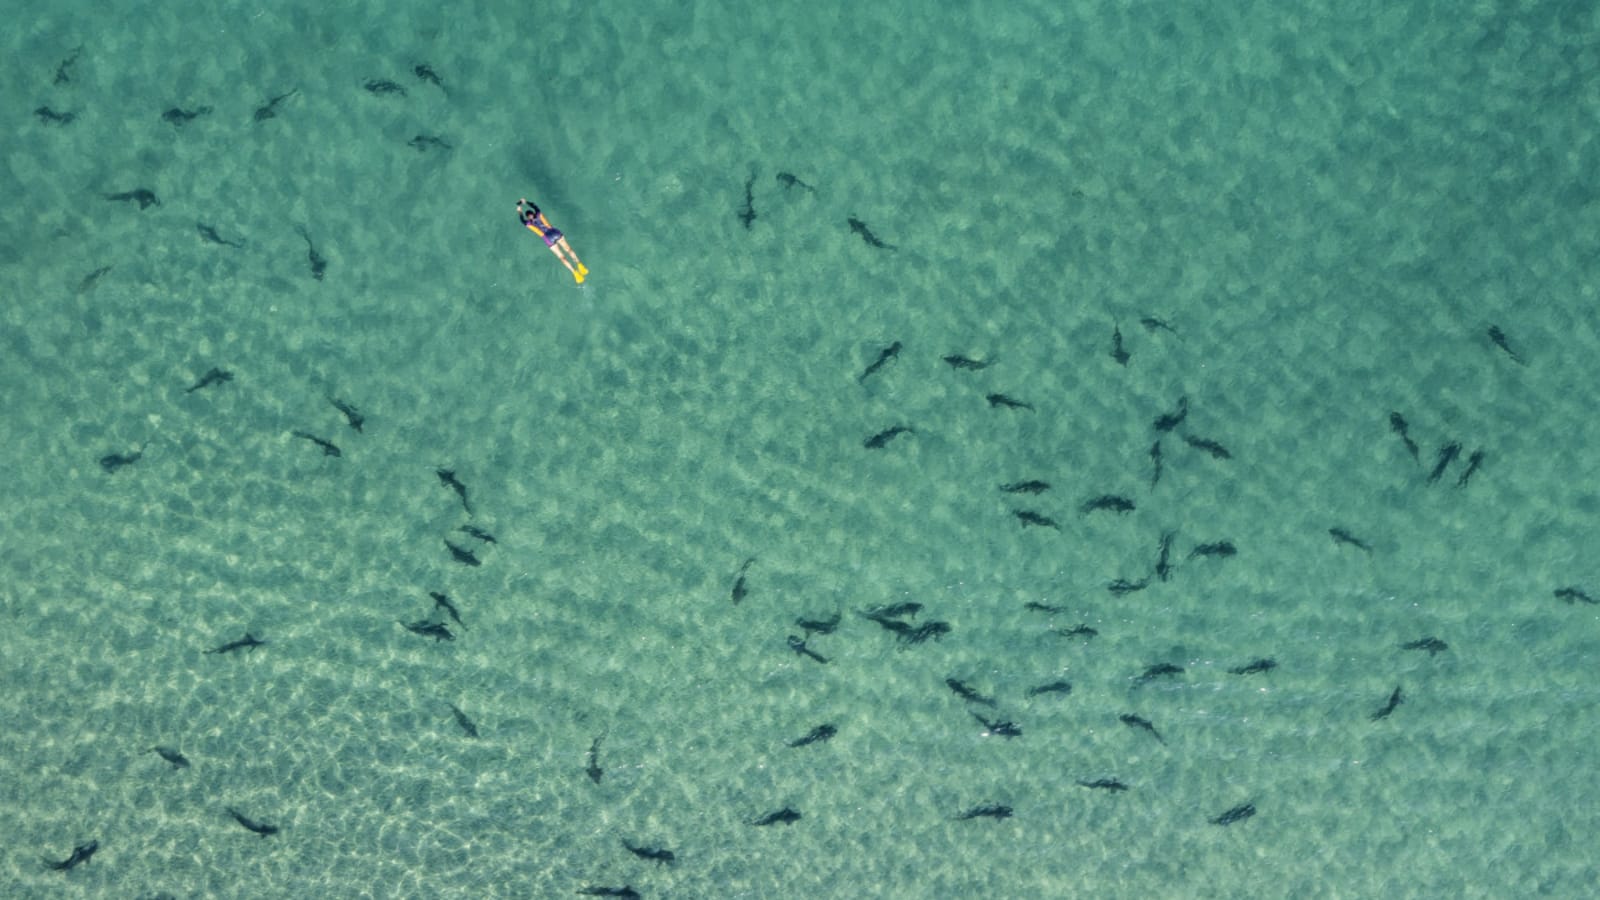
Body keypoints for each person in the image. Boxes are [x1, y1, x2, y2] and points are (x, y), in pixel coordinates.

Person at [517, 198, 588, 283]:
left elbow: (521, 219)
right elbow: (534, 205)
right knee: (568, 250)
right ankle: (580, 265)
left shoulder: (528, 223)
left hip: (547, 238)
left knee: (562, 257)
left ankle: (575, 273)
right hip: (554, 232)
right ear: (533, 213)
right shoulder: (538, 214)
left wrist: (519, 209)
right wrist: (525, 202)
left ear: (528, 217)